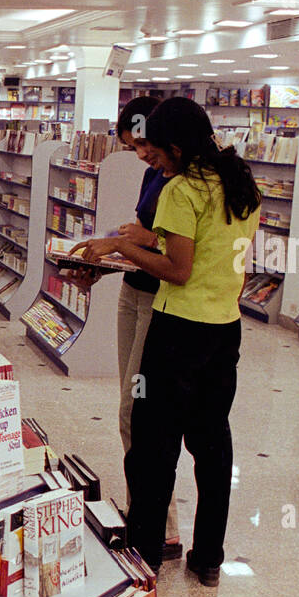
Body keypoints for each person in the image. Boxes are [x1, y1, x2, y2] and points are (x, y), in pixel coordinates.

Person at [72, 97, 260, 586]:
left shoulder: (183, 189)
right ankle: (208, 557)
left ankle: (145, 557)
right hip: (224, 328)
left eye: (154, 149)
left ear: (175, 147)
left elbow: (178, 269)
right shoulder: (239, 182)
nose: (149, 158)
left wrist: (120, 245)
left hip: (177, 330)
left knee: (153, 446)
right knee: (212, 444)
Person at [111, 96, 182, 563]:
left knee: (137, 414)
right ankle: (149, 517)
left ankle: (159, 527)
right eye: (133, 148)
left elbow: (182, 250)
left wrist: (140, 239)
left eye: (144, 146)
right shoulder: (153, 171)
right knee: (129, 408)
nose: (140, 155)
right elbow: (143, 229)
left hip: (160, 298)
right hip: (133, 290)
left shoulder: (185, 180)